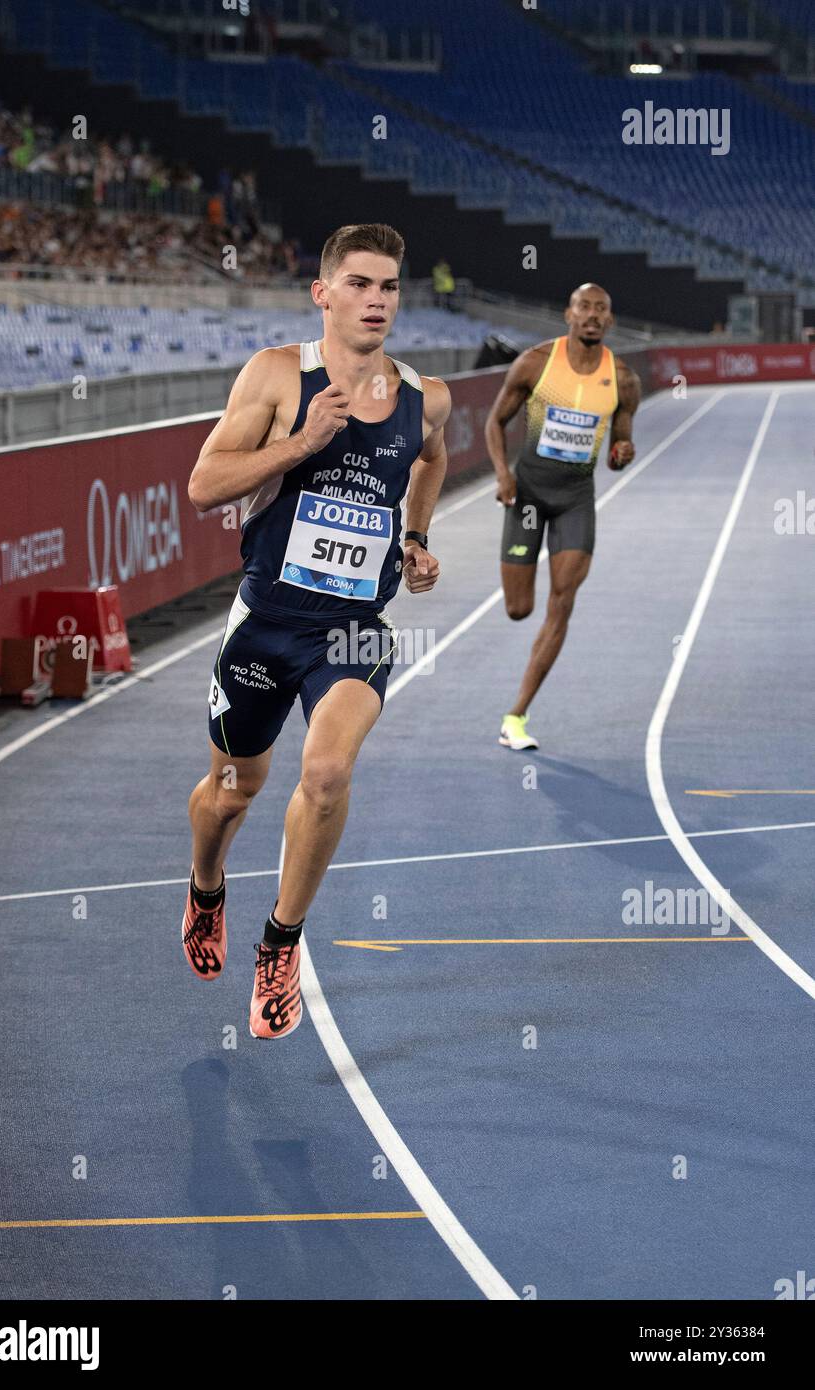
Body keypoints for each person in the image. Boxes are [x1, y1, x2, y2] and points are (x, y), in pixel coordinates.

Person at [181, 222, 451, 1038]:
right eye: (360, 284)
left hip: (353, 627)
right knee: (233, 795)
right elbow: (202, 485)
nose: (377, 301)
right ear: (322, 292)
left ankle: (280, 944)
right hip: (265, 625)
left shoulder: (422, 396)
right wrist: (301, 443)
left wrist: (417, 536)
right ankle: (204, 887)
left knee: (326, 771)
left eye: (390, 287)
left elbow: (432, 456)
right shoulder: (276, 376)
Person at [485, 283, 641, 750]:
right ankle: (516, 710)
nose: (592, 316)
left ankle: (516, 715)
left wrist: (622, 453)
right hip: (528, 497)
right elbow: (495, 422)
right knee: (519, 609)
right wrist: (502, 476)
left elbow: (618, 451)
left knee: (563, 599)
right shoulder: (535, 363)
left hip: (575, 499)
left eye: (601, 310)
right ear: (568, 315)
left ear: (609, 321)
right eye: (584, 308)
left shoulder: (624, 379)